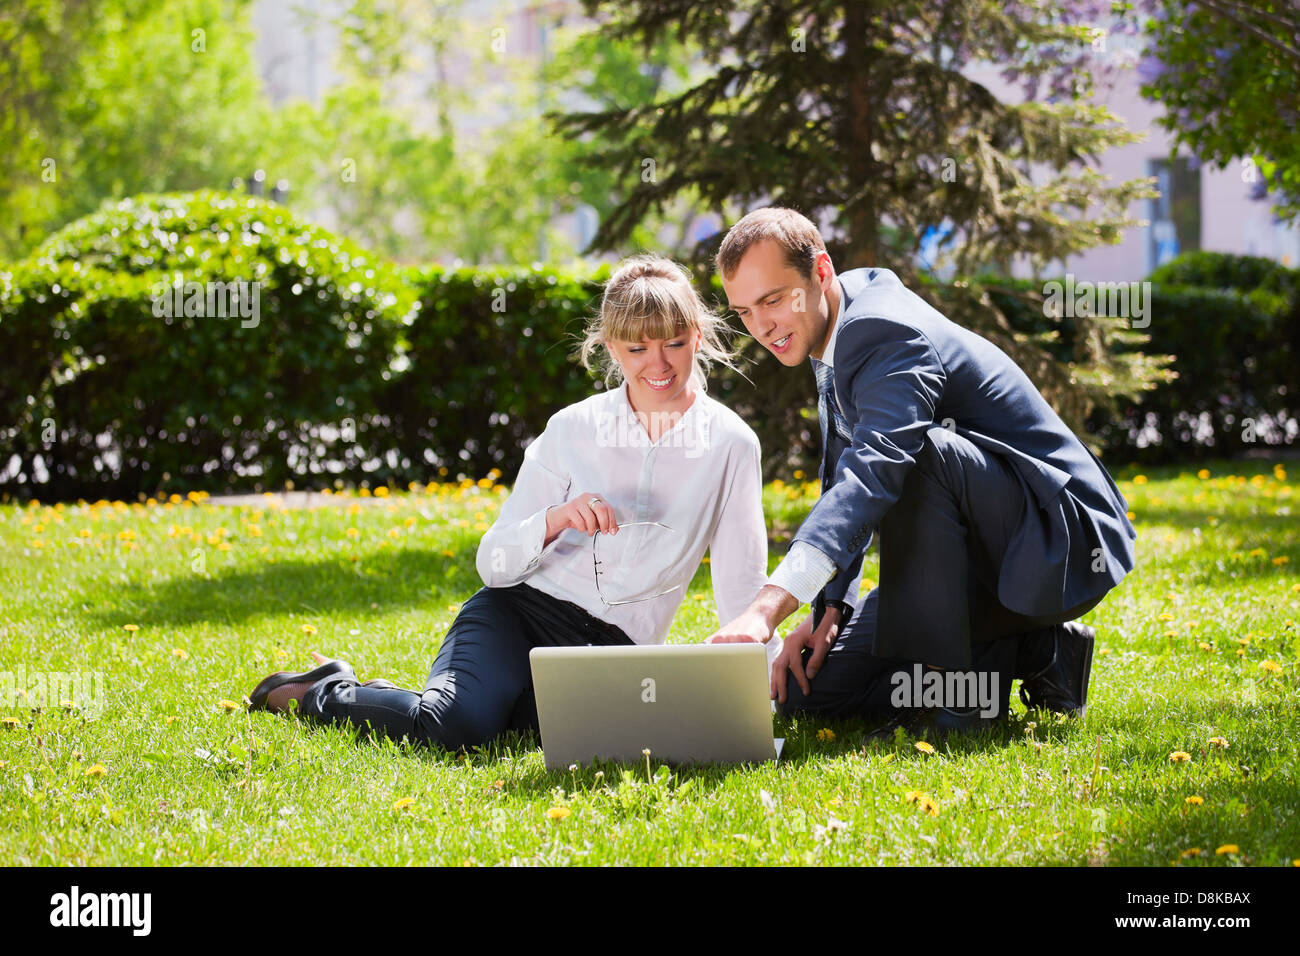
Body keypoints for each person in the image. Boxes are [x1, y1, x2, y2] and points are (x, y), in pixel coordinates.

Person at [246, 254, 773, 753]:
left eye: (674, 343)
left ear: (697, 337)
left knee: (528, 733)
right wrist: (556, 519)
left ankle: (407, 694)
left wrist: (765, 683)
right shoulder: (574, 428)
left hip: (612, 652)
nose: (657, 364)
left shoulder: (731, 445)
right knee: (454, 727)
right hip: (519, 611)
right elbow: (492, 561)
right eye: (637, 349)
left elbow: (742, 587)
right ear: (612, 349)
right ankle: (326, 689)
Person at [706, 207, 1137, 734]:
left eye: (773, 300)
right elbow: (844, 479)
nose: (761, 325)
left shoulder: (881, 330)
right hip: (974, 559)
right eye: (744, 311)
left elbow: (871, 475)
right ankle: (1039, 649)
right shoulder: (833, 329)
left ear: (820, 273)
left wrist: (767, 609)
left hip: (1057, 536)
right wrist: (827, 614)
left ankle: (962, 694)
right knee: (807, 696)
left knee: (921, 455)